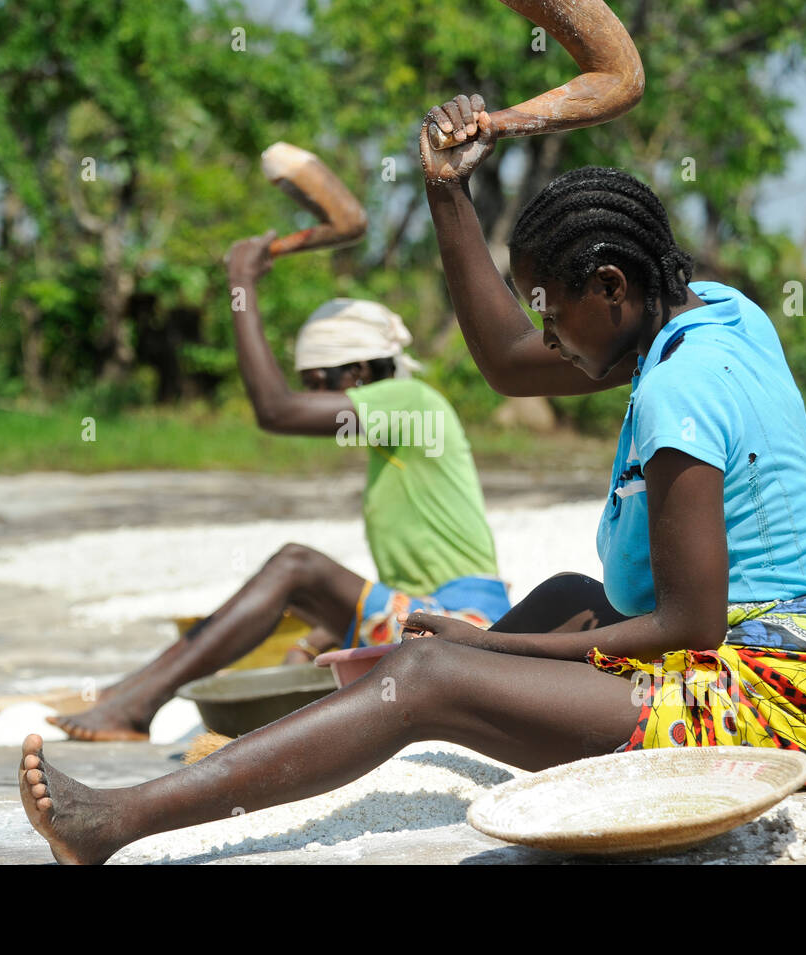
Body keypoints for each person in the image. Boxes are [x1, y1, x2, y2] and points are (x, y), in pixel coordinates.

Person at [16, 99, 806, 864]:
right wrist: (449, 192)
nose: (549, 339)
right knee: (572, 599)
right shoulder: (720, 311)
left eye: (554, 311)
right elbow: (502, 358)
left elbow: (691, 628)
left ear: (611, 285)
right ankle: (405, 699)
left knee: (429, 673)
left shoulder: (678, 396)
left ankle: (120, 820)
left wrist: (485, 646)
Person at [47, 231, 510, 741]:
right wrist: (313, 643)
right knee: (300, 581)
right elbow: (401, 590)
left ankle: (138, 704)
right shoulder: (394, 441)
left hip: (468, 626)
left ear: (356, 373)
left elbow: (275, 409)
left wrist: (241, 283)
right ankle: (134, 691)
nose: (313, 401)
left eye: (316, 385)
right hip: (430, 618)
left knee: (296, 565)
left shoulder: (410, 401)